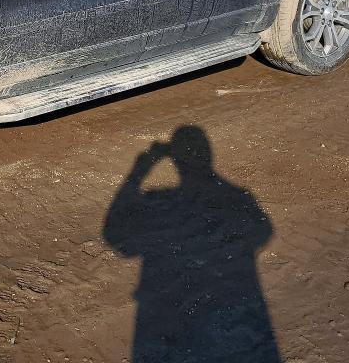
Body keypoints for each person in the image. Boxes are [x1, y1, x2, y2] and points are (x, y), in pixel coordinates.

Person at [103, 125, 281, 363]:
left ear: (175, 161)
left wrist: (140, 170)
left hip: (172, 325)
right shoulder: (237, 197)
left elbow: (115, 236)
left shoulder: (160, 201)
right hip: (232, 323)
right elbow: (262, 232)